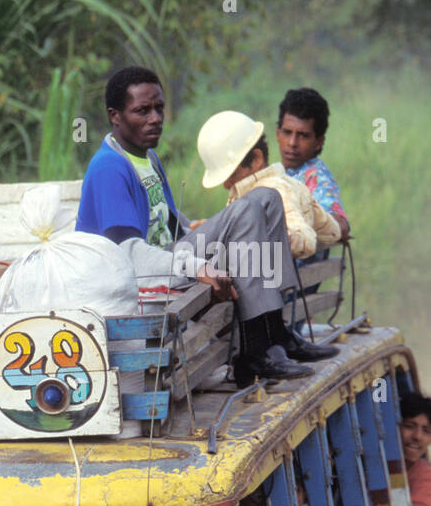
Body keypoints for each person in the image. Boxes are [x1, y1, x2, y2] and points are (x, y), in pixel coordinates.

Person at [76, 66, 334, 387]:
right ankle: (255, 349)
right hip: (136, 276)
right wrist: (195, 265)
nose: (155, 118)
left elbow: (167, 224)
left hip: (167, 256)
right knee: (247, 208)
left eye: (159, 108)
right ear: (115, 116)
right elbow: (129, 254)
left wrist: (197, 228)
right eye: (142, 111)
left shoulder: (149, 158)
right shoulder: (109, 168)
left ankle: (277, 331)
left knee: (266, 196)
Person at [197, 110, 343, 262]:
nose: (226, 185)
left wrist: (262, 238)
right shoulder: (246, 193)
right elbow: (331, 232)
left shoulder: (277, 191)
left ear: (256, 160)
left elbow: (305, 240)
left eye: (231, 175)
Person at [277, 87, 350, 244]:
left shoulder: (315, 177)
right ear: (278, 133)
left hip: (301, 268)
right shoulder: (278, 174)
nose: (292, 143)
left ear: (319, 142)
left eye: (303, 135)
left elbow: (340, 227)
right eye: (287, 132)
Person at [401, 393, 431, 506]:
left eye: (426, 431)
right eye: (409, 426)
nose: (417, 437)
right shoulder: (366, 464)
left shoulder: (424, 473)